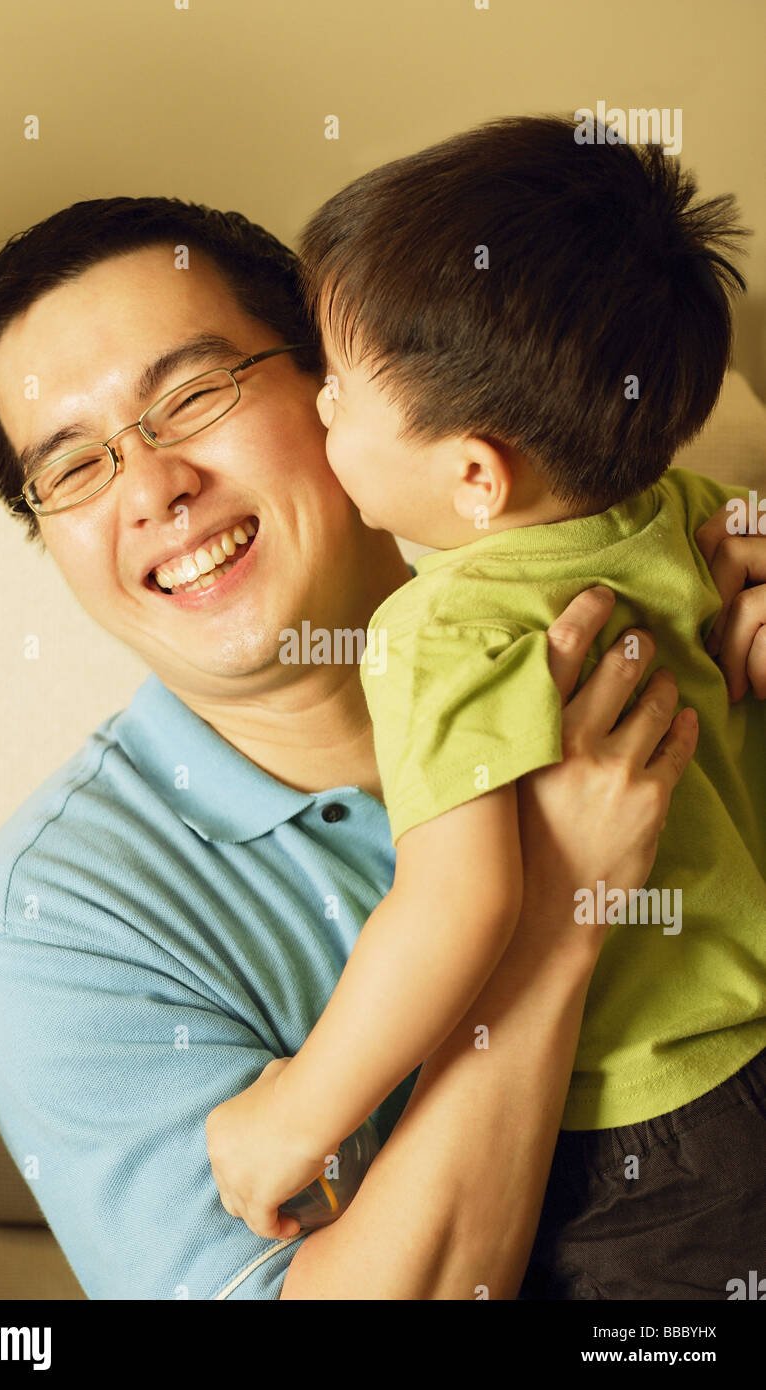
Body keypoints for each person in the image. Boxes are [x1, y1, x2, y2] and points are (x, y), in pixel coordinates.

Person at [0, 195, 753, 1300]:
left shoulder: (654, 584)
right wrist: (552, 913)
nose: (153, 490)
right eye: (73, 468)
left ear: (341, 387)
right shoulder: (49, 921)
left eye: (192, 395)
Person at [209, 116, 766, 1299]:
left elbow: (459, 902)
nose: (316, 411)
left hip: (641, 1130)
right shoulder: (666, 503)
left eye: (341, 392)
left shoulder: (441, 628)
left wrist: (295, 1111)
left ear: (473, 473)